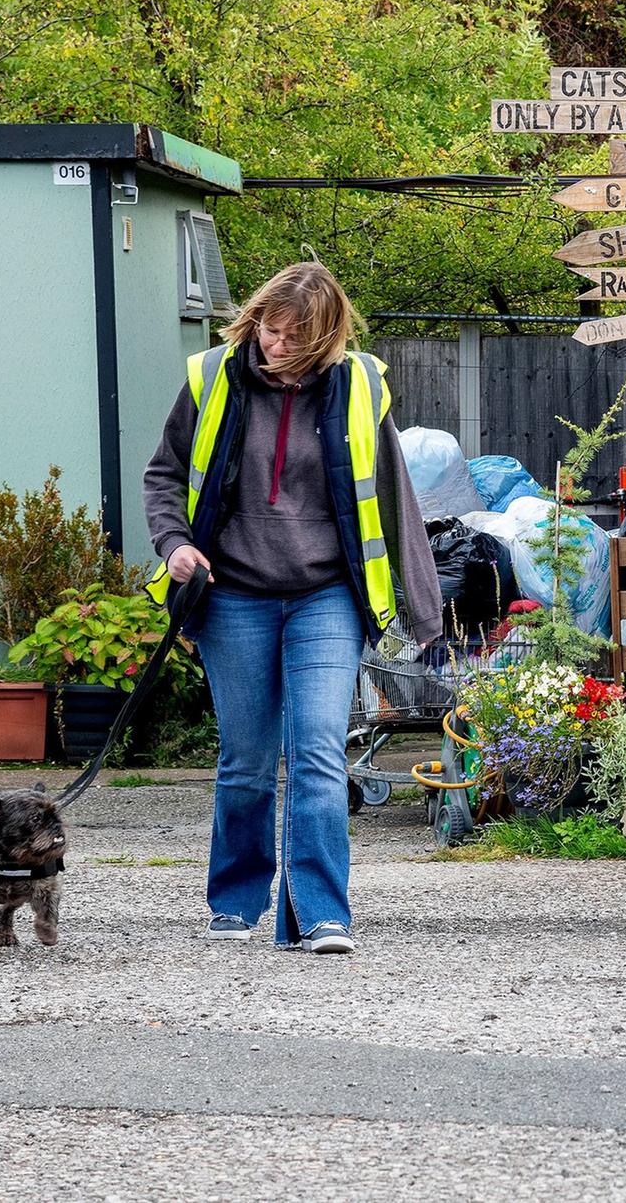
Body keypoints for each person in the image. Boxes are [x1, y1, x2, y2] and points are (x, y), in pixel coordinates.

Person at [143, 262, 442, 954]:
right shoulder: (212, 377)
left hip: (325, 596)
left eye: (290, 338)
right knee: (247, 756)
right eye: (267, 330)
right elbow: (163, 473)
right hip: (233, 594)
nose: (273, 345)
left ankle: (318, 913)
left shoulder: (361, 384)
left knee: (316, 751)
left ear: (323, 341)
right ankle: (238, 897)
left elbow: (396, 497)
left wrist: (425, 613)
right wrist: (175, 544)